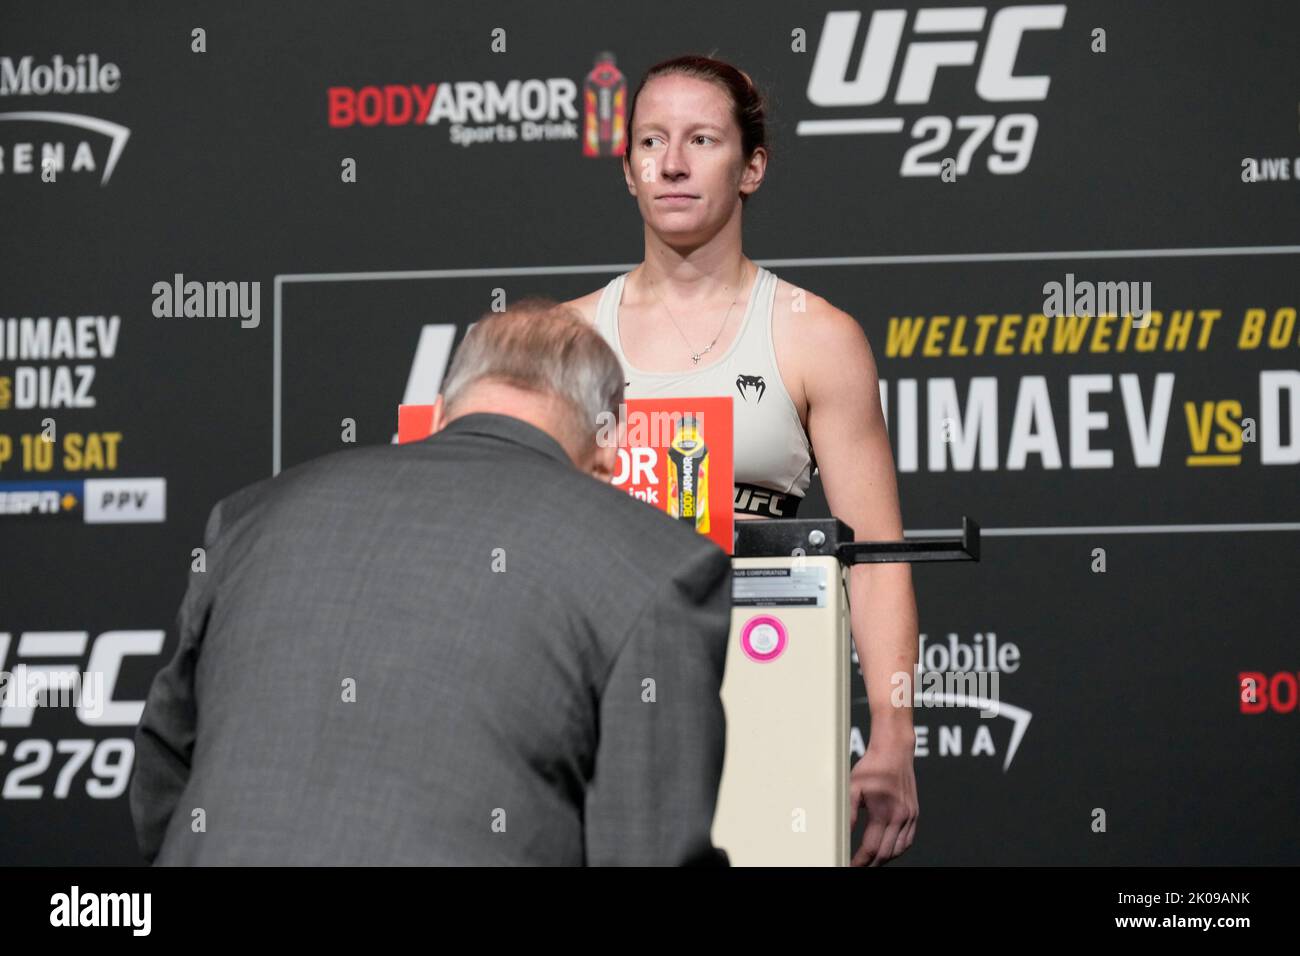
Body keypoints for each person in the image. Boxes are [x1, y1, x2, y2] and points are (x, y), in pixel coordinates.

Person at [129, 300, 733, 866]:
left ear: (442, 409)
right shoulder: (656, 562)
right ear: (610, 448)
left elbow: (164, 767)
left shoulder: (252, 517)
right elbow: (649, 847)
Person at [564, 55, 920, 866]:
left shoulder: (815, 334)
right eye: (650, 141)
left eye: (702, 139)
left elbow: (876, 560)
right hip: (598, 704)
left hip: (771, 682)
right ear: (627, 170)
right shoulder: (568, 342)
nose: (674, 163)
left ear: (752, 165)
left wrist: (893, 732)